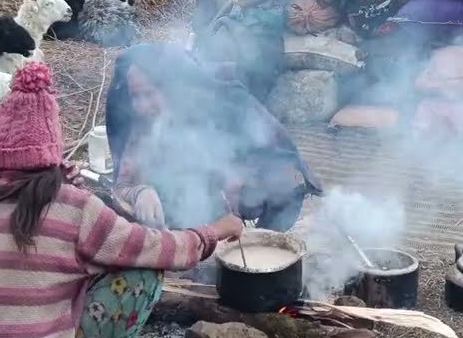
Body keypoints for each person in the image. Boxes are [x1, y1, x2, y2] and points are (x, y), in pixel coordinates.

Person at [0, 61, 243, 338]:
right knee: (143, 276)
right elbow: (160, 250)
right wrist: (214, 231)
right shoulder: (73, 208)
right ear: (53, 147)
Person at [104, 42, 322, 232]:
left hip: (231, 191)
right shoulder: (139, 124)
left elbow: (281, 159)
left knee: (283, 184)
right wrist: (140, 192)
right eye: (135, 96)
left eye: (149, 94)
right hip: (181, 203)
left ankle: (262, 244)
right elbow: (121, 187)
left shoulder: (224, 101)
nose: (141, 106)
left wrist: (240, 172)